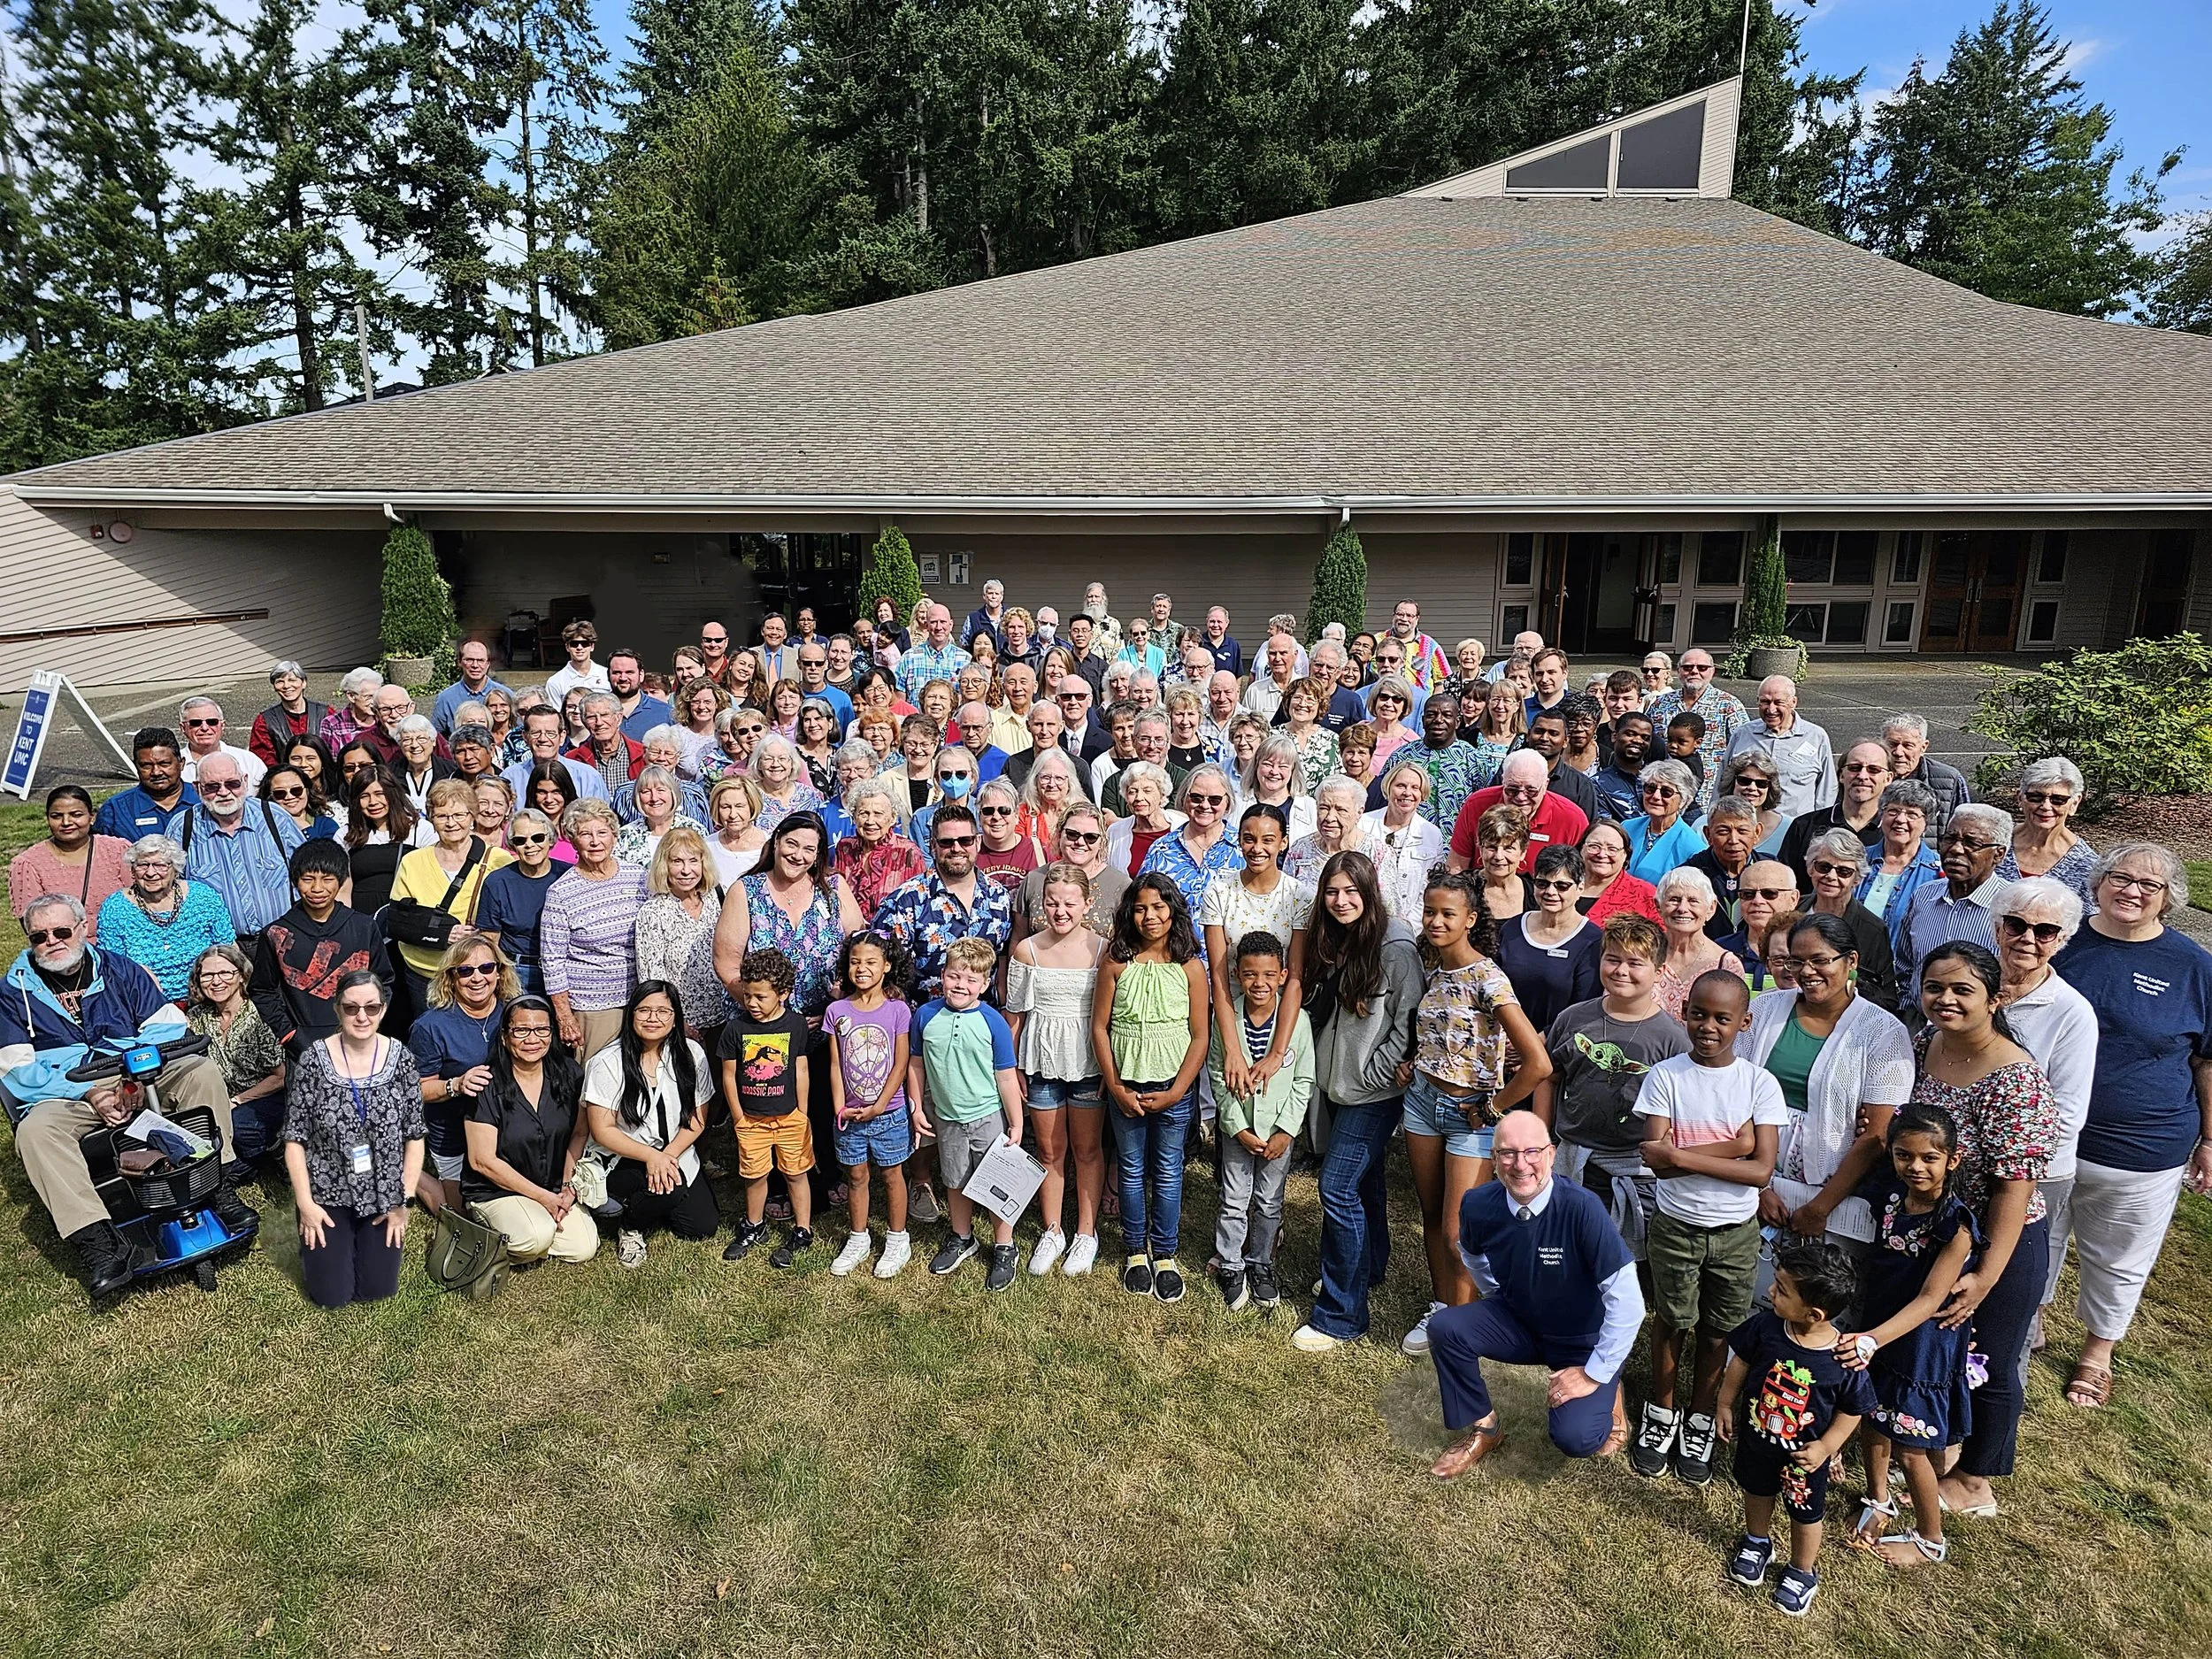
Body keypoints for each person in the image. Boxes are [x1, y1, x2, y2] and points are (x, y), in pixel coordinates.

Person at [2048, 844, 2212, 1410]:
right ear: (2098, 882)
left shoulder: (2193, 966)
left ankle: (2098, 1352)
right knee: (2034, 1239)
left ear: (2169, 900)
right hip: (2047, 1137)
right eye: (2120, 877)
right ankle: (2030, 1321)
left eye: (2149, 885)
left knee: (2119, 1256)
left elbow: (2206, 1060)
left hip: (2144, 1144)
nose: (2132, 891)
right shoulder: (2061, 940)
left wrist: (2210, 1140)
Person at [1909, 941, 2057, 1519]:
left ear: (1994, 999)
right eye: (1935, 987)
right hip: (1941, 1228)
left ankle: (1975, 1478)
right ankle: (1941, 1446)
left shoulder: (2014, 1078)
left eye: (1961, 989)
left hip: (2004, 1235)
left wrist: (1987, 1274)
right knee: (1945, 1349)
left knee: (1991, 1358)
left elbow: (2013, 1188)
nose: (1945, 998)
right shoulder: (1928, 1043)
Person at [1626, 972, 1786, 1486]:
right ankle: (1661, 1412)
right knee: (1672, 1320)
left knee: (1720, 1328)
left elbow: (1762, 1172)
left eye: (1722, 1018)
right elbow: (1659, 1164)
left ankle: (1699, 1417)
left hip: (1737, 1231)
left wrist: (1679, 1151)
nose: (1708, 1026)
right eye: (1698, 1014)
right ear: (1685, 1013)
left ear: (1745, 1022)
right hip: (1676, 1225)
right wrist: (1733, 1147)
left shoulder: (1758, 1084)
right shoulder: (1665, 1077)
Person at [1425, 1109, 1644, 1476]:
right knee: (1445, 1328)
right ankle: (1486, 1428)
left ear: (1551, 1155)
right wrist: (1497, 1296)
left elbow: (1629, 1304)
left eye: (1532, 1152)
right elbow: (1472, 1256)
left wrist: (1593, 1373)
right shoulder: (1478, 1204)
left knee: (1577, 1439)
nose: (1520, 1164)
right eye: (1507, 1153)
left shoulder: (1582, 1208)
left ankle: (1611, 1389)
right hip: (1521, 1322)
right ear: (1493, 1159)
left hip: (1581, 1339)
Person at [1399, 867, 1552, 1357]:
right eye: (1430, 912)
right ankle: (1444, 1308)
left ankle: (1465, 1328)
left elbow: (1538, 1063)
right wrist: (1415, 1063)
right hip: (1423, 1103)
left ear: (1470, 918)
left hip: (1471, 1114)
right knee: (1428, 1213)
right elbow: (1446, 1033)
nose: (1436, 922)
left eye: (1448, 914)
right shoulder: (1434, 969)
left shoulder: (1489, 977)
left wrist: (1493, 1107)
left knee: (1456, 1230)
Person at [1293, 852, 1426, 1352]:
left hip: (1372, 1092)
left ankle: (1341, 1315)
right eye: (1332, 892)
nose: (1341, 901)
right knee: (1366, 1185)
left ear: (1370, 893)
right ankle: (1367, 1268)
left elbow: (1407, 1023)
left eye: (1351, 891)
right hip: (1337, 1085)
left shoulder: (1394, 947)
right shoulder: (1332, 941)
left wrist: (1373, 1075)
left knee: (1337, 1188)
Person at [1839, 1102, 1981, 1570]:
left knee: (1911, 1443)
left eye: (1929, 1158)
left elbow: (1930, 1298)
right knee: (1872, 1415)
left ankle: (1929, 1538)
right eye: (1904, 1156)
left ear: (1953, 1160)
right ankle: (1878, 1497)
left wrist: (1871, 1339)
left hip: (1921, 1345)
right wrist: (1872, 1335)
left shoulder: (1954, 1225)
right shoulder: (1892, 1197)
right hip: (1880, 1327)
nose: (1915, 1167)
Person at [1740, 911, 1916, 1258]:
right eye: (1796, 961)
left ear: (1851, 961)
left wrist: (1821, 1207)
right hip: (1752, 1177)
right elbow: (1732, 1098)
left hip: (1833, 1193)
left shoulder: (1883, 1033)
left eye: (1820, 960)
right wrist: (1756, 1187)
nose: (1806, 972)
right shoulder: (1762, 1010)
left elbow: (1875, 1137)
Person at [1715, 1240, 1874, 1617]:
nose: (1771, 1291)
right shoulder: (1766, 1327)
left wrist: (1826, 1447)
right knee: (1755, 1490)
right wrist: (1724, 1403)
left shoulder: (1842, 1360)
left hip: (1805, 1460)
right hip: (1758, 1441)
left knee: (1806, 1513)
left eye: (1782, 1290)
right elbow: (1740, 1361)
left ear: (1814, 1314)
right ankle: (1757, 1541)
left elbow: (1853, 1410)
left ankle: (1802, 1571)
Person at [1537, 913, 1688, 1250]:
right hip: (1573, 1156)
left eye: (1635, 963)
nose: (1621, 970)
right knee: (1566, 1246)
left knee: (1616, 1257)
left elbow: (1683, 1109)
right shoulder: (1574, 1018)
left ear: (1660, 972)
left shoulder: (1672, 1039)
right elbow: (1549, 1078)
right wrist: (1543, 1138)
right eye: (1613, 959)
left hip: (1633, 1166)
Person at [1092, 876, 1209, 1302]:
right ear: (1129, 913)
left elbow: (1200, 1035)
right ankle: (1135, 1251)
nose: (1150, 917)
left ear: (1174, 911)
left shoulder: (1190, 967)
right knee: (1131, 1167)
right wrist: (1116, 1085)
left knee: (1168, 1169)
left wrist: (1179, 1090)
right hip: (1127, 1086)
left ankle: (1165, 1254)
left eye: (1159, 908)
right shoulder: (1117, 963)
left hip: (1173, 1088)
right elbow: (1100, 1028)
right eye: (1141, 909)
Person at [281, 971, 424, 1309]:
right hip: (328, 1190)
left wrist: (403, 1199)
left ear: (384, 1011)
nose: (362, 1016)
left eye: (371, 1008)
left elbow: (415, 1136)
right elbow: (294, 1139)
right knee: (331, 1296)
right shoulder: (313, 1060)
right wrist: (306, 1205)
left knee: (377, 1290)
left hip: (383, 1193)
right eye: (352, 1008)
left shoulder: (401, 1058)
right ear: (337, 1009)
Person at [910, 937, 1025, 1290]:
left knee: (995, 1184)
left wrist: (1017, 1122)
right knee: (955, 1180)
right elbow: (916, 1066)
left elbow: (1006, 1077)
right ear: (942, 975)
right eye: (954, 977)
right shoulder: (926, 1016)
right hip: (946, 1117)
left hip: (989, 1117)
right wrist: (916, 1107)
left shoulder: (993, 1023)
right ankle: (962, 1236)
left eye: (971, 980)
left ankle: (1005, 1246)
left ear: (985, 983)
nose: (961, 985)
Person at [464, 996, 597, 1263]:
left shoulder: (570, 1074)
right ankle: (491, 1227)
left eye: (541, 1030)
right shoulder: (486, 1084)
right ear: (504, 1037)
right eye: (521, 1030)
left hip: (552, 1186)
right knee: (534, 1238)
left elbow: (579, 1134)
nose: (532, 1039)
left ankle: (530, 1233)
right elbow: (482, 1161)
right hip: (497, 1191)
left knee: (584, 1248)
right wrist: (543, 1198)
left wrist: (568, 1188)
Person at [824, 932, 918, 1279]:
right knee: (856, 1175)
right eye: (855, 961)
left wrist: (879, 1106)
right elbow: (835, 1065)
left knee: (893, 1175)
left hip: (889, 1114)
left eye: (870, 962)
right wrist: (839, 1109)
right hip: (849, 1116)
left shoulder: (897, 1010)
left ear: (887, 966)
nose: (861, 968)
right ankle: (858, 1237)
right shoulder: (837, 1011)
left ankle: (897, 1239)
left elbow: (900, 1063)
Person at [718, 948, 818, 1267]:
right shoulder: (736, 1029)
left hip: (790, 1117)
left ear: (783, 993)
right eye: (748, 996)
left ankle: (803, 1229)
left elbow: (801, 1069)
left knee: (796, 1173)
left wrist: (802, 1113)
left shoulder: (796, 1025)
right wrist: (738, 1117)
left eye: (760, 997)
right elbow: (729, 1076)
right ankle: (754, 1224)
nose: (752, 1004)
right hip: (751, 1120)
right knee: (755, 1175)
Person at [408, 934, 518, 1214]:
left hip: (508, 1126)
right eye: (465, 971)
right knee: (457, 1215)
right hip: (452, 1126)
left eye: (486, 968)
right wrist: (456, 1084)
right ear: (451, 977)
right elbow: (418, 1089)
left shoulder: (514, 1014)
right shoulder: (430, 1026)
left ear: (499, 971)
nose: (477, 978)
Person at [250, 837, 392, 1054]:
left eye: (327, 879)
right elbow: (262, 990)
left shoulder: (363, 927)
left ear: (341, 880)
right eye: (308, 879)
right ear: (295, 881)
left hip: (359, 1042)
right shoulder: (276, 933)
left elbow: (384, 981)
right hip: (301, 1048)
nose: (317, 888)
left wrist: (369, 1022)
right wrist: (289, 1035)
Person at [540, 800, 646, 1060]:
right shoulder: (561, 893)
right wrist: (564, 1016)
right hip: (592, 1008)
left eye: (602, 833)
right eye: (586, 834)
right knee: (598, 1083)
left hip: (641, 1001)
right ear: (574, 842)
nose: (595, 841)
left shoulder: (640, 877)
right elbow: (552, 960)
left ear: (614, 837)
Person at [169, 753, 305, 937]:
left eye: (232, 784)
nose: (224, 792)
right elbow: (171, 891)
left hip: (283, 940)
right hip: (219, 949)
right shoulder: (182, 828)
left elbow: (306, 874)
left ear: (245, 781)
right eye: (212, 787)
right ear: (197, 788)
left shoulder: (274, 817)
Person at [95, 834, 235, 1001]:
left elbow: (229, 950)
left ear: (175, 869)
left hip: (207, 997)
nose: (151, 873)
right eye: (142, 865)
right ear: (132, 870)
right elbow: (113, 965)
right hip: (145, 1002)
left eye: (160, 865)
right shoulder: (115, 907)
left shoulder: (203, 896)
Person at [184, 944, 286, 1167]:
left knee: (235, 1127)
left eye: (225, 973)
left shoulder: (259, 1012)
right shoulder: (196, 1017)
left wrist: (237, 1101)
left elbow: (280, 1077)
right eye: (208, 975)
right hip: (222, 1100)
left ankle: (275, 1154)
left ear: (242, 976)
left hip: (267, 1096)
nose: (216, 981)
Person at [634, 826, 729, 1049]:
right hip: (680, 1026)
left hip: (725, 1019)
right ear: (664, 866)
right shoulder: (653, 912)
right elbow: (652, 978)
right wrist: (677, 1022)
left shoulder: (720, 897)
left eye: (693, 861)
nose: (686, 870)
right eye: (677, 862)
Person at [1494, 844, 1602, 1034]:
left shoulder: (1592, 940)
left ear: (1580, 888)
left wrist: (1535, 1044)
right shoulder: (1512, 928)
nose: (1551, 892)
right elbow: (1494, 990)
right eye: (1542, 884)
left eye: (1562, 886)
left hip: (1553, 1048)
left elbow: (1582, 1010)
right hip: (1502, 1040)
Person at [1895, 803, 2010, 983]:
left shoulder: (2012, 907)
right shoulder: (1924, 896)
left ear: (1998, 854)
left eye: (1972, 843)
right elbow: (1905, 966)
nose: (1956, 849)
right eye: (1950, 839)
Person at [10, 786, 131, 938]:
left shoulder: (118, 850)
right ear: (47, 818)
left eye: (76, 814)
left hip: (124, 946)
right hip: (64, 951)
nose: (66, 822)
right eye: (56, 816)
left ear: (92, 817)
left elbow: (141, 903)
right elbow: (34, 926)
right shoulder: (28, 864)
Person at [1448, 751, 1587, 877]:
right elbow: (1457, 866)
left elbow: (1582, 877)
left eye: (1531, 790)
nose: (1521, 797)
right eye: (1512, 789)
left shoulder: (1572, 819)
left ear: (1545, 785)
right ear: (1503, 782)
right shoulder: (1477, 805)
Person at [1777, 741, 1893, 888]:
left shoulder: (1894, 833)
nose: (1862, 776)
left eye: (1873, 770)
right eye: (1854, 768)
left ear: (1888, 778)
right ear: (1841, 775)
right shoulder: (1804, 826)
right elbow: (1783, 885)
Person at [1138, 766, 1243, 926]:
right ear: (1184, 799)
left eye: (1215, 799)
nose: (1205, 805)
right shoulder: (1161, 849)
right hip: (1173, 948)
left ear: (1227, 803)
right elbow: (1141, 900)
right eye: (1196, 798)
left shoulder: (1244, 848)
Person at [1645, 649, 1748, 810]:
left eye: (1702, 668)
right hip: (1662, 799)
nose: (1694, 671)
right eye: (1687, 667)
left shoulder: (1729, 705)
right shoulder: (1660, 704)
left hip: (1709, 802)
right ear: (1678, 671)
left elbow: (1744, 752)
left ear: (1712, 672)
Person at [1724, 678, 1834, 820]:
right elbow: (1724, 783)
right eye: (1765, 702)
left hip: (1795, 830)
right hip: (1745, 828)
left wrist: (1820, 827)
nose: (1771, 709)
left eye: (1778, 702)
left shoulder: (1816, 737)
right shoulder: (1742, 734)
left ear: (1793, 702)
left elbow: (1826, 791)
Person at [1995, 757, 2098, 902]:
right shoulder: (1993, 844)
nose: (2046, 806)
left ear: (2074, 803)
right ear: (2020, 798)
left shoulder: (2088, 865)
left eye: (2058, 800)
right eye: (2036, 797)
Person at [1652, 867, 1740, 1019]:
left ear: (1711, 908)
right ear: (1658, 905)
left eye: (1693, 901)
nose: (1682, 908)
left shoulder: (1726, 965)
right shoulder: (1642, 953)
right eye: (1674, 899)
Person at [1684, 795, 1759, 941]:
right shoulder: (1691, 873)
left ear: (1756, 833)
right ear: (1708, 835)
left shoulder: (1771, 871)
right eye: (1723, 831)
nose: (1733, 840)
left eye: (1742, 831)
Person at [1619, 758, 1705, 883]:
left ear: (1683, 801)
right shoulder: (1627, 827)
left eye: (1666, 792)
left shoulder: (1693, 847)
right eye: (1650, 788)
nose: (1656, 796)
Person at [502, 705, 611, 803]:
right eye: (535, 733)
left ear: (562, 736)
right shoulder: (510, 778)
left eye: (550, 733)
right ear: (525, 737)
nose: (543, 739)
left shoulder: (587, 777)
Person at [1881, 713, 1970, 825]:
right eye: (1892, 744)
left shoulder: (1950, 780)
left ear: (1923, 747)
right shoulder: (1864, 776)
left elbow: (1964, 827)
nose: (1898, 752)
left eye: (1908, 745)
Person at [1576, 818, 1660, 925]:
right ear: (1581, 848)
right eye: (1594, 846)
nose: (1602, 854)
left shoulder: (1646, 895)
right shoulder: (1560, 886)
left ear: (1625, 854)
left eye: (1612, 849)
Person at [178, 695, 266, 789]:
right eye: (195, 723)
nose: (204, 728)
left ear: (222, 725)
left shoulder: (249, 761)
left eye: (212, 722)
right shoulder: (173, 766)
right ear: (183, 728)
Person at [1718, 752, 1790, 859]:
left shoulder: (1790, 828)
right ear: (1732, 782)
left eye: (1761, 783)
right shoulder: (1705, 824)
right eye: (1744, 781)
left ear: (1770, 788)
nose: (1752, 787)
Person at [431, 640, 511, 737]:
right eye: (469, 660)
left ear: (488, 663)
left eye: (480, 660)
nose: (475, 665)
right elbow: (436, 737)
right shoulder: (446, 699)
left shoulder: (506, 695)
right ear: (459, 662)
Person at [705, 775, 770, 888]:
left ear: (751, 806)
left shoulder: (769, 847)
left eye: (739, 806)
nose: (733, 815)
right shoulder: (706, 846)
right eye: (725, 807)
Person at [1591, 710, 1655, 822]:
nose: (1638, 740)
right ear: (1615, 736)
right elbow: (1604, 827)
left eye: (1645, 738)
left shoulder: (1659, 778)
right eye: (1630, 734)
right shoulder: (1597, 784)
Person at [318, 669, 384, 757]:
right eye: (368, 697)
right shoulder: (333, 724)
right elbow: (330, 761)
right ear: (351, 696)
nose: (374, 702)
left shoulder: (384, 720)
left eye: (376, 696)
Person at [544, 619, 609, 705]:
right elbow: (556, 715)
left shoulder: (607, 675)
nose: (579, 648)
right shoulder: (555, 681)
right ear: (567, 647)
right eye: (574, 644)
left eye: (584, 644)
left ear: (592, 646)